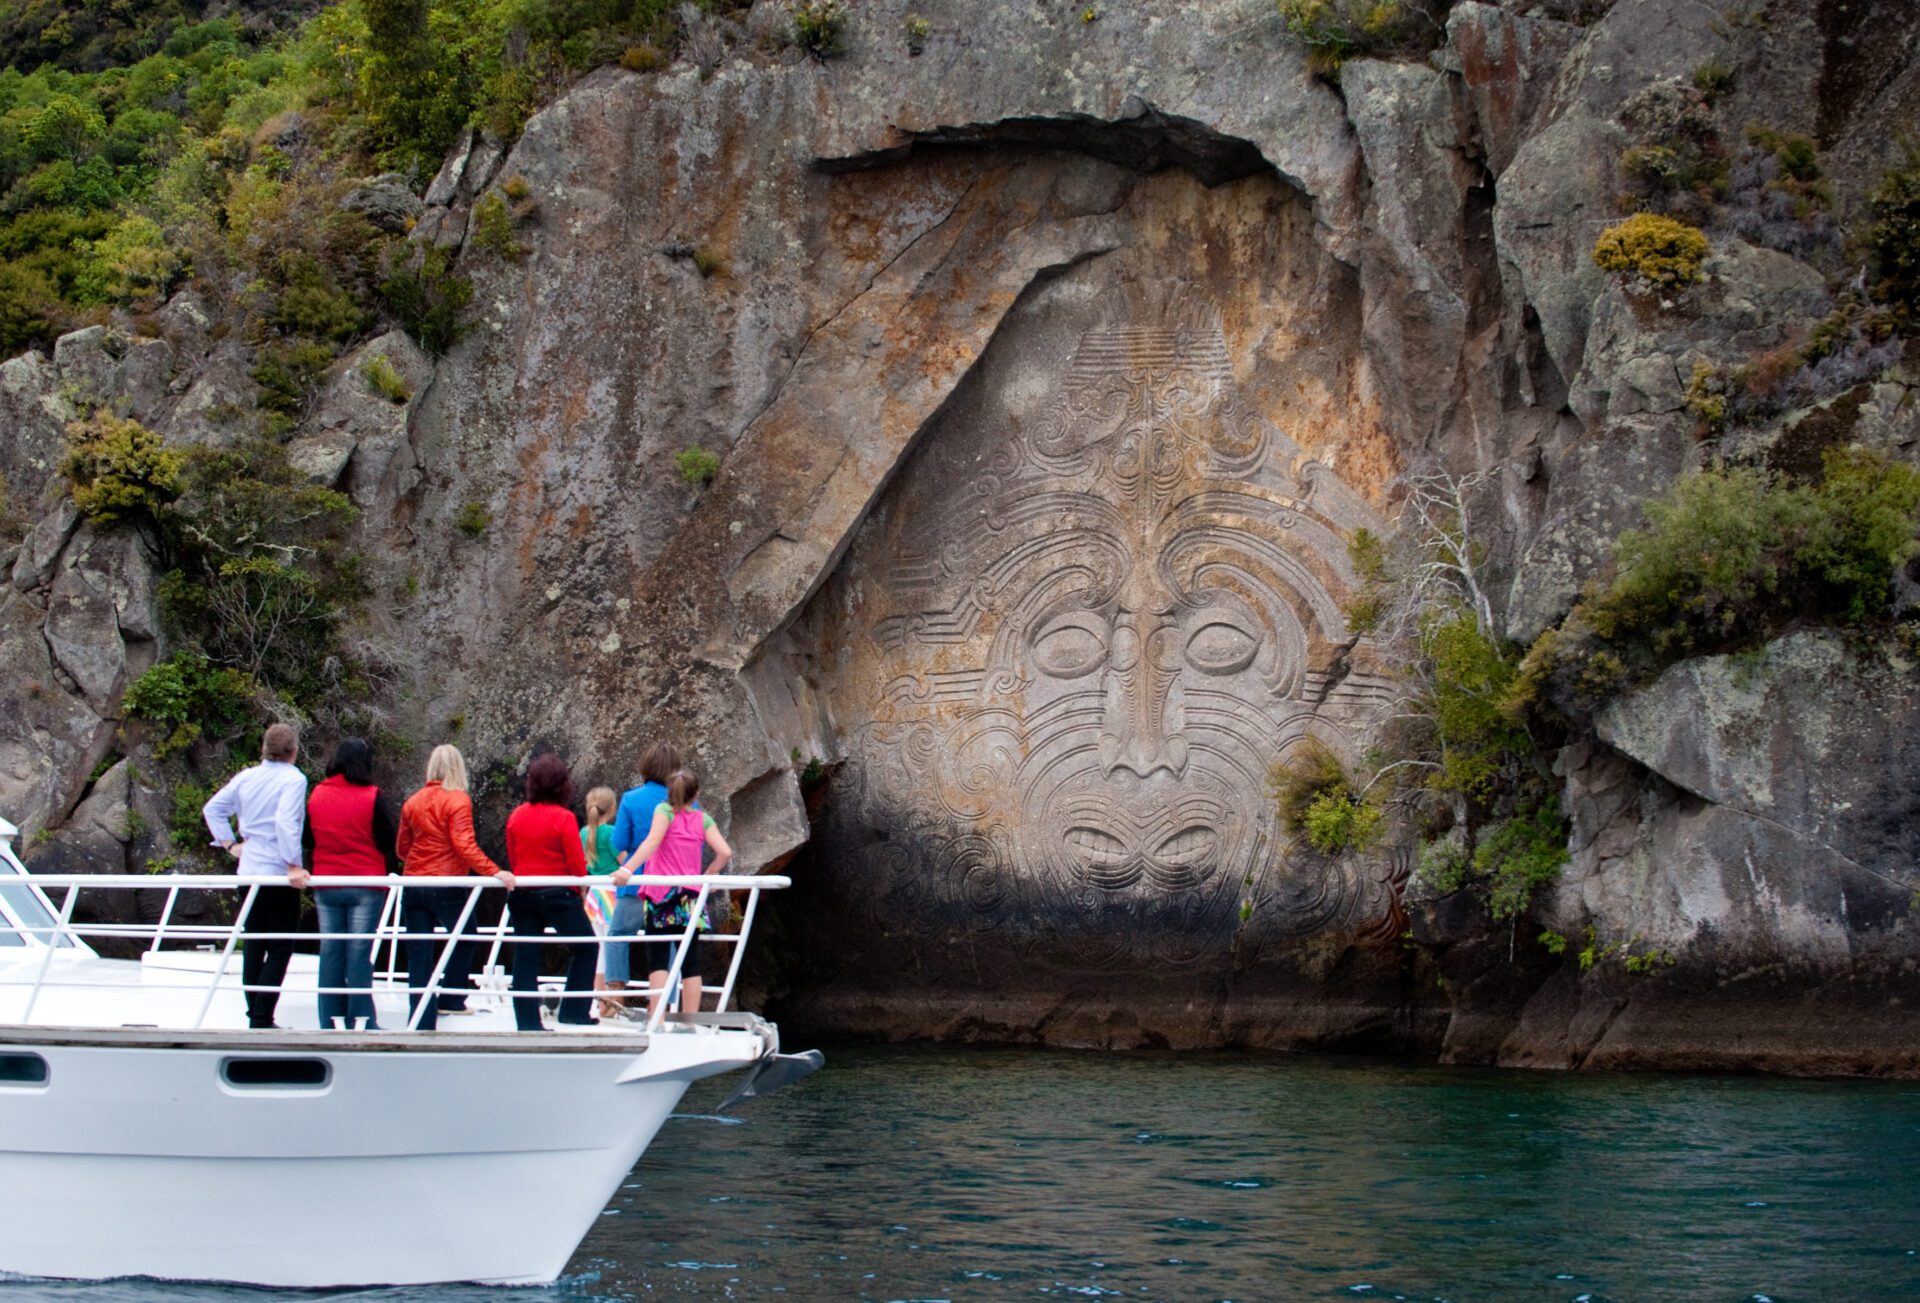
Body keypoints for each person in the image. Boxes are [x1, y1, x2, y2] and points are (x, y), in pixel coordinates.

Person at [396, 744, 513, 1030]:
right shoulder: (457, 800)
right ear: (457, 768)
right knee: (466, 936)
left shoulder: (413, 801)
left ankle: (420, 1017)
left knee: (419, 952)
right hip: (447, 882)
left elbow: (402, 848)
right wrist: (495, 871)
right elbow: (464, 845)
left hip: (414, 882)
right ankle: (451, 997)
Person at [202, 722, 308, 1030]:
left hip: (248, 870)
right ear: (293, 751)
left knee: (255, 945)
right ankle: (261, 1017)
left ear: (264, 749)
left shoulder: (246, 777)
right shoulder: (294, 780)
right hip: (276, 871)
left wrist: (229, 843)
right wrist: (293, 864)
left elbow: (213, 809)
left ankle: (257, 1015)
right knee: (279, 947)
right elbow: (286, 822)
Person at [613, 769, 731, 1023]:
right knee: (690, 961)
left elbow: (652, 842)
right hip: (690, 898)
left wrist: (627, 869)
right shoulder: (703, 819)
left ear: (669, 793)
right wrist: (708, 876)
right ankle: (690, 1019)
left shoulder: (663, 812)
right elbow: (724, 851)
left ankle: (657, 1016)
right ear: (696, 794)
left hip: (660, 896)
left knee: (657, 958)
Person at [305, 737, 397, 1031]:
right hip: (365, 883)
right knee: (359, 952)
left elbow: (307, 839)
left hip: (327, 882)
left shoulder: (317, 794)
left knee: (331, 950)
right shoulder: (371, 796)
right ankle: (362, 1018)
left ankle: (328, 1019)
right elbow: (386, 840)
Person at [504, 753, 596, 1030]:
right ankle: (574, 1011)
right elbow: (577, 865)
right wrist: (582, 888)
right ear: (562, 785)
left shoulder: (517, 815)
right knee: (586, 948)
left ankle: (527, 1022)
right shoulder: (564, 818)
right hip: (557, 895)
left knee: (525, 956)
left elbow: (513, 858)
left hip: (522, 893)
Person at [605, 743, 681, 1009]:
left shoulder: (631, 798)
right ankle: (664, 1005)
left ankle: (614, 995)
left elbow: (618, 841)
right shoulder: (681, 803)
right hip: (669, 884)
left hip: (635, 883)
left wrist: (630, 863)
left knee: (618, 935)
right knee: (666, 942)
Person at [580, 786, 625, 1019]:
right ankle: (613, 1003)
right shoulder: (610, 833)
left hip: (594, 894)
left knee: (599, 950)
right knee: (613, 947)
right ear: (613, 808)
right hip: (612, 894)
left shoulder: (584, 832)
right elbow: (625, 861)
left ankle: (601, 1004)